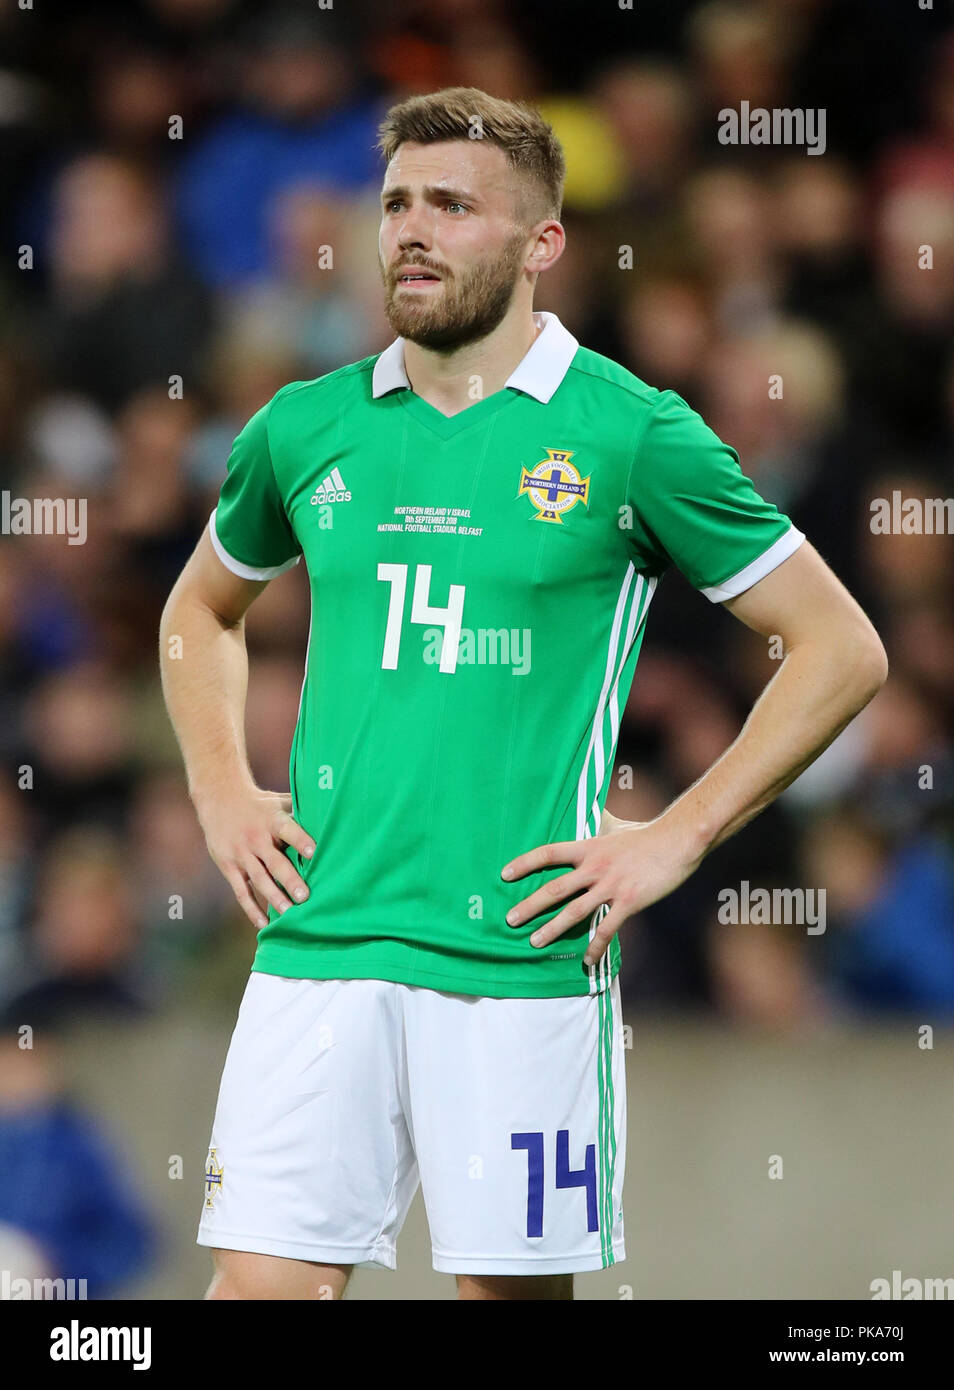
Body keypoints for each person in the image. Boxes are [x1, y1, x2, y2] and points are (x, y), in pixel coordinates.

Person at [159, 86, 888, 1301]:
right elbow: (198, 611)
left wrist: (678, 837)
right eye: (396, 203)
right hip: (317, 943)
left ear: (542, 242)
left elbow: (839, 647)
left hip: (520, 962)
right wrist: (223, 787)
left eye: (452, 204)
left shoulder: (633, 435)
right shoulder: (304, 428)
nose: (411, 230)